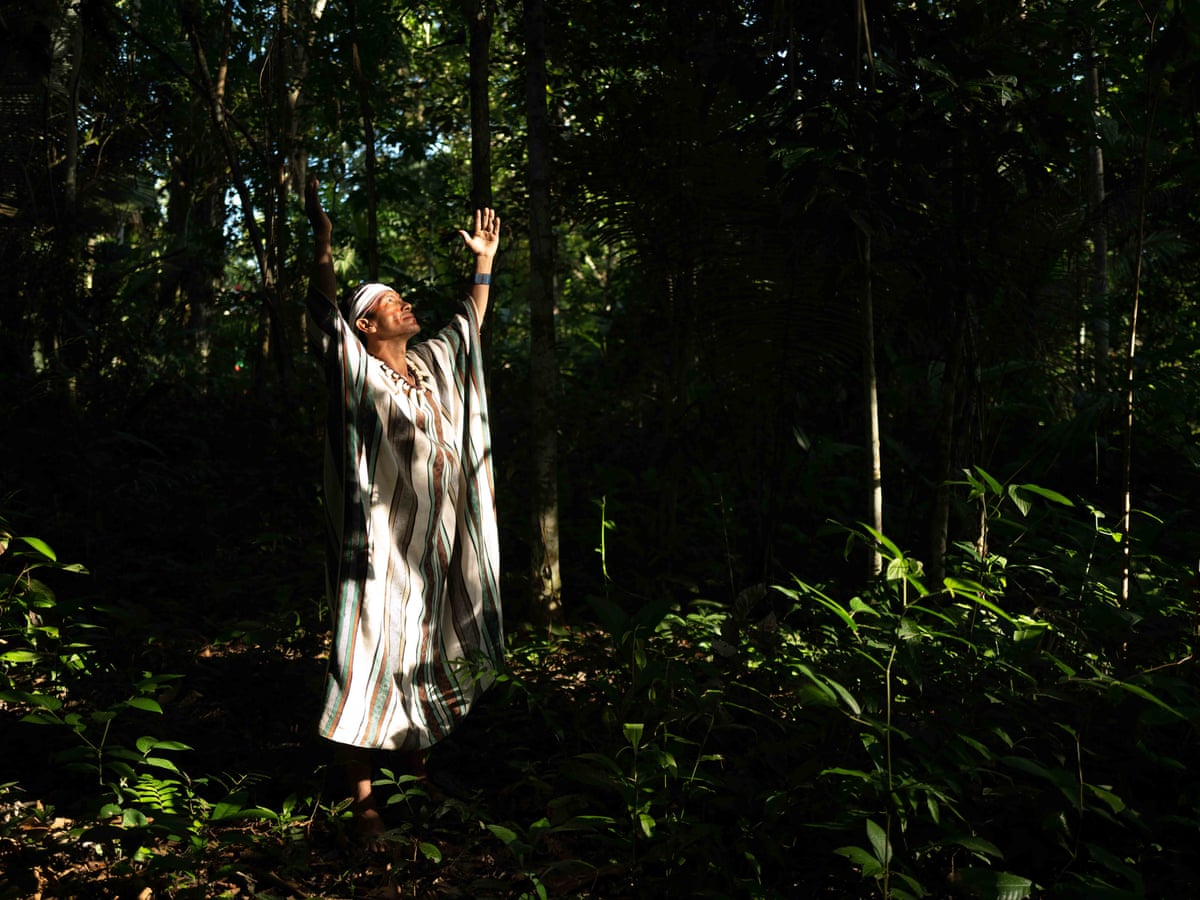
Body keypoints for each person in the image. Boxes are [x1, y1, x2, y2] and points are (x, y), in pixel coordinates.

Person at [303, 175, 504, 841]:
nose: (405, 305)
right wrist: (324, 246)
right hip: (379, 553)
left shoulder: (429, 364)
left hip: (435, 549)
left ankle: (414, 775)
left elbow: (468, 330)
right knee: (367, 660)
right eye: (392, 302)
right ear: (366, 323)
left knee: (422, 652)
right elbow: (325, 318)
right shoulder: (358, 373)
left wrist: (483, 262)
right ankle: (364, 804)